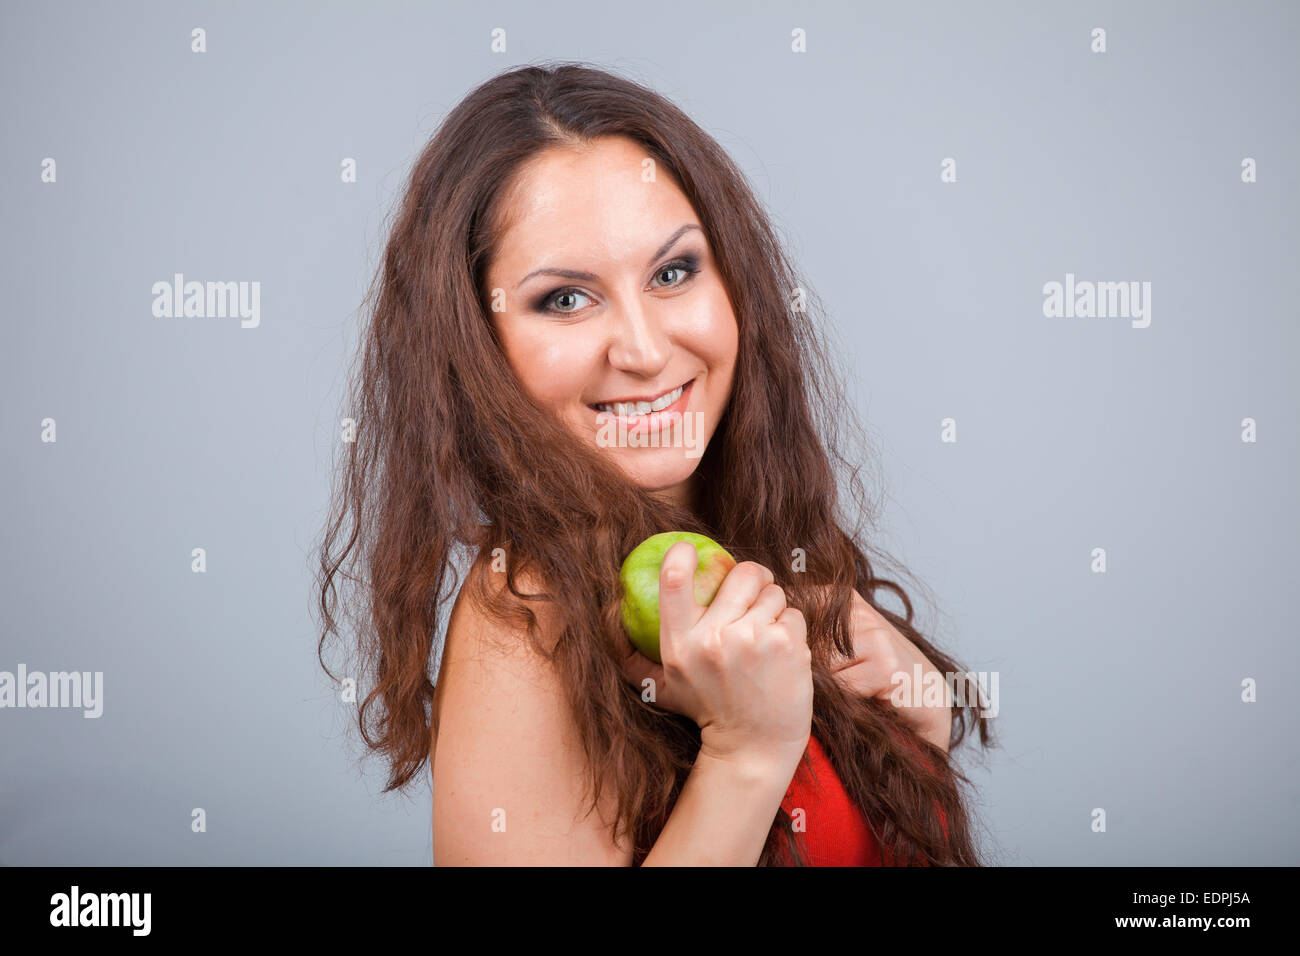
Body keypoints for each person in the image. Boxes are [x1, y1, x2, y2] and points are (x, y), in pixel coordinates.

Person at [316, 61, 994, 866]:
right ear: (477, 345)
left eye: (673, 273)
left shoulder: (757, 535)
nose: (642, 349)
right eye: (565, 299)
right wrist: (744, 758)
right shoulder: (526, 616)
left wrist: (923, 713)